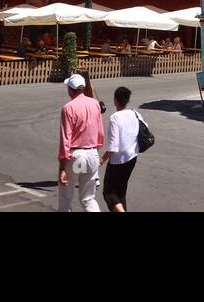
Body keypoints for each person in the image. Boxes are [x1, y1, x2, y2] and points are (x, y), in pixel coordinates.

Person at [58, 73, 103, 212]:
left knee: (66, 198)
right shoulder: (95, 103)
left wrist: (62, 167)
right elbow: (100, 132)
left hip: (76, 154)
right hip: (92, 153)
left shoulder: (68, 107)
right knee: (88, 198)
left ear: (70, 89)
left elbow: (66, 138)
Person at [102, 85, 144, 212]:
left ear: (115, 100)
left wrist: (102, 160)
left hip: (117, 160)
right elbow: (144, 128)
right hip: (132, 157)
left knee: (108, 193)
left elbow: (113, 146)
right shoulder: (135, 113)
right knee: (120, 192)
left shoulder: (115, 117)